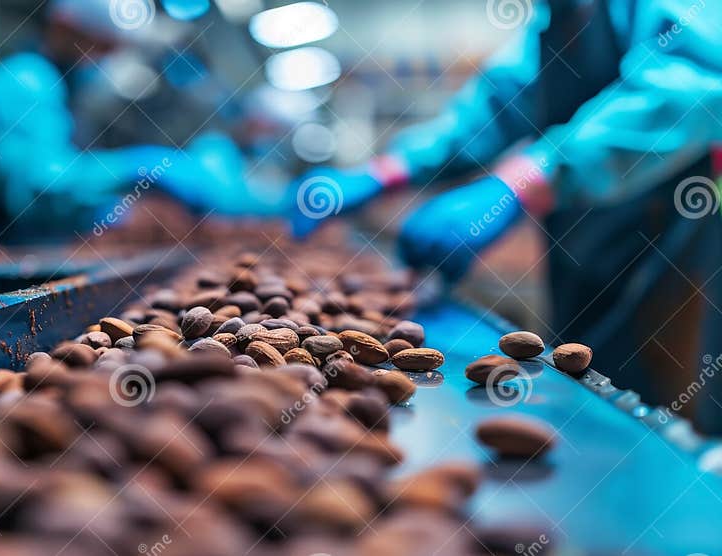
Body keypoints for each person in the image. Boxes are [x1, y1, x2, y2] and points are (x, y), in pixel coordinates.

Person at [291, 0, 722, 432]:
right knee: (592, 393)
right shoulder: (559, 17)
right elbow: (500, 100)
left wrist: (529, 177)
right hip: (582, 239)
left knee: (662, 400)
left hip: (672, 231)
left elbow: (690, 90)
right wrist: (388, 170)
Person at [0, 0, 277, 243]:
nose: (103, 59)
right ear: (64, 26)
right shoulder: (21, 82)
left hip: (40, 252)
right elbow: (34, 188)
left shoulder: (64, 88)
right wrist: (137, 167)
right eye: (99, 45)